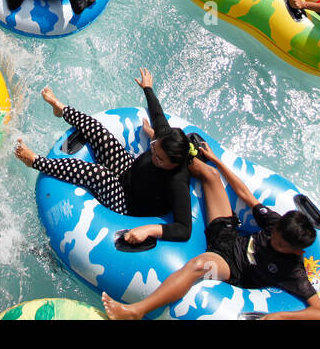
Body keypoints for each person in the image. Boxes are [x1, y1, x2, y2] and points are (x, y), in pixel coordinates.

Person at [102, 139, 320, 320]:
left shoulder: (292, 272)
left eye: (277, 244)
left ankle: (136, 311)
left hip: (230, 265)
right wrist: (216, 161)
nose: (272, 239)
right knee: (210, 175)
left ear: (296, 251)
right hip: (228, 233)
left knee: (198, 266)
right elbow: (246, 194)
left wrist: (280, 317)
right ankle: (160, 151)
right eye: (274, 235)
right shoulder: (277, 224)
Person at [14, 70, 197, 244]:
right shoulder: (165, 138)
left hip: (126, 203)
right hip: (127, 169)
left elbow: (184, 229)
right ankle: (61, 109)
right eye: (153, 148)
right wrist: (147, 88)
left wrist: (149, 230)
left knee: (99, 174)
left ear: (173, 164)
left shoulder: (177, 181)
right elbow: (158, 115)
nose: (154, 154)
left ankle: (36, 162)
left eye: (159, 159)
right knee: (99, 132)